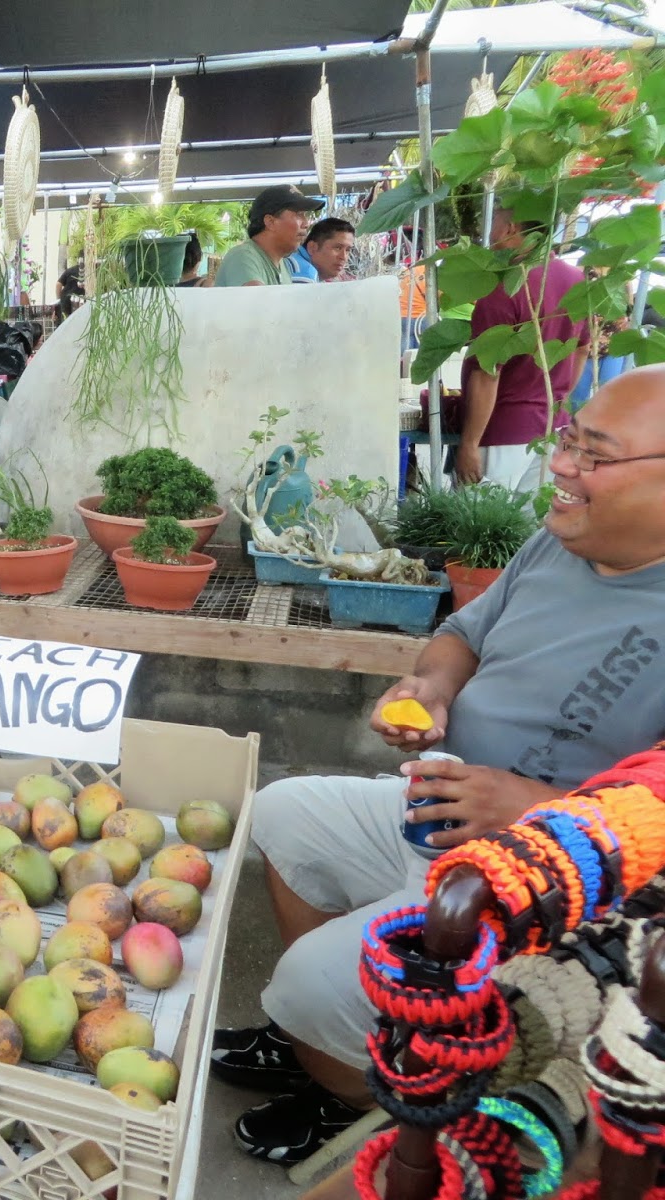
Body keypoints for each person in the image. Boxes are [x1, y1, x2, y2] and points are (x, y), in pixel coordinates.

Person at [212, 364, 665, 1167]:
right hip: (444, 805)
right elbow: (463, 634)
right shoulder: (556, 547)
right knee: (283, 814)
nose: (560, 466)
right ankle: (332, 1057)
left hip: (540, 882)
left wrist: (531, 806)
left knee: (311, 978)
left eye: (593, 454)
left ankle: (368, 1095)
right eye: (567, 441)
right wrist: (432, 686)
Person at [455, 209, 589, 489]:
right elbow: (582, 349)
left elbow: (487, 372)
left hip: (504, 429)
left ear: (509, 229)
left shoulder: (505, 286)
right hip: (553, 427)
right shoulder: (577, 280)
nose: (489, 233)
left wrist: (469, 443)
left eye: (494, 223)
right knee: (529, 527)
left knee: (481, 524)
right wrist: (558, 398)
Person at [214, 185, 324, 287]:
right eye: (299, 214)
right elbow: (261, 305)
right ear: (270, 222)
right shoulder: (243, 257)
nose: (306, 223)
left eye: (305, 215)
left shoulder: (283, 265)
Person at [290, 217, 356, 283]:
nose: (343, 257)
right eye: (337, 248)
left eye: (347, 250)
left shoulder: (293, 259)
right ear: (312, 248)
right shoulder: (306, 272)